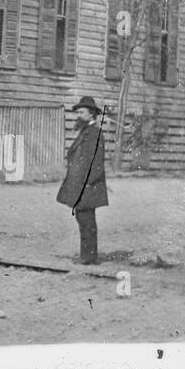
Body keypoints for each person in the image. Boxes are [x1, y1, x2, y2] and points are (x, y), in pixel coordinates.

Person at [56, 95, 109, 264]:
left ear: (92, 113)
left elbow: (97, 163)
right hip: (81, 185)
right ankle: (87, 256)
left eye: (81, 112)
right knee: (83, 220)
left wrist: (86, 183)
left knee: (87, 222)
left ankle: (89, 258)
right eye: (77, 112)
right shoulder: (86, 131)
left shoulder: (94, 133)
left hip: (87, 186)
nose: (78, 115)